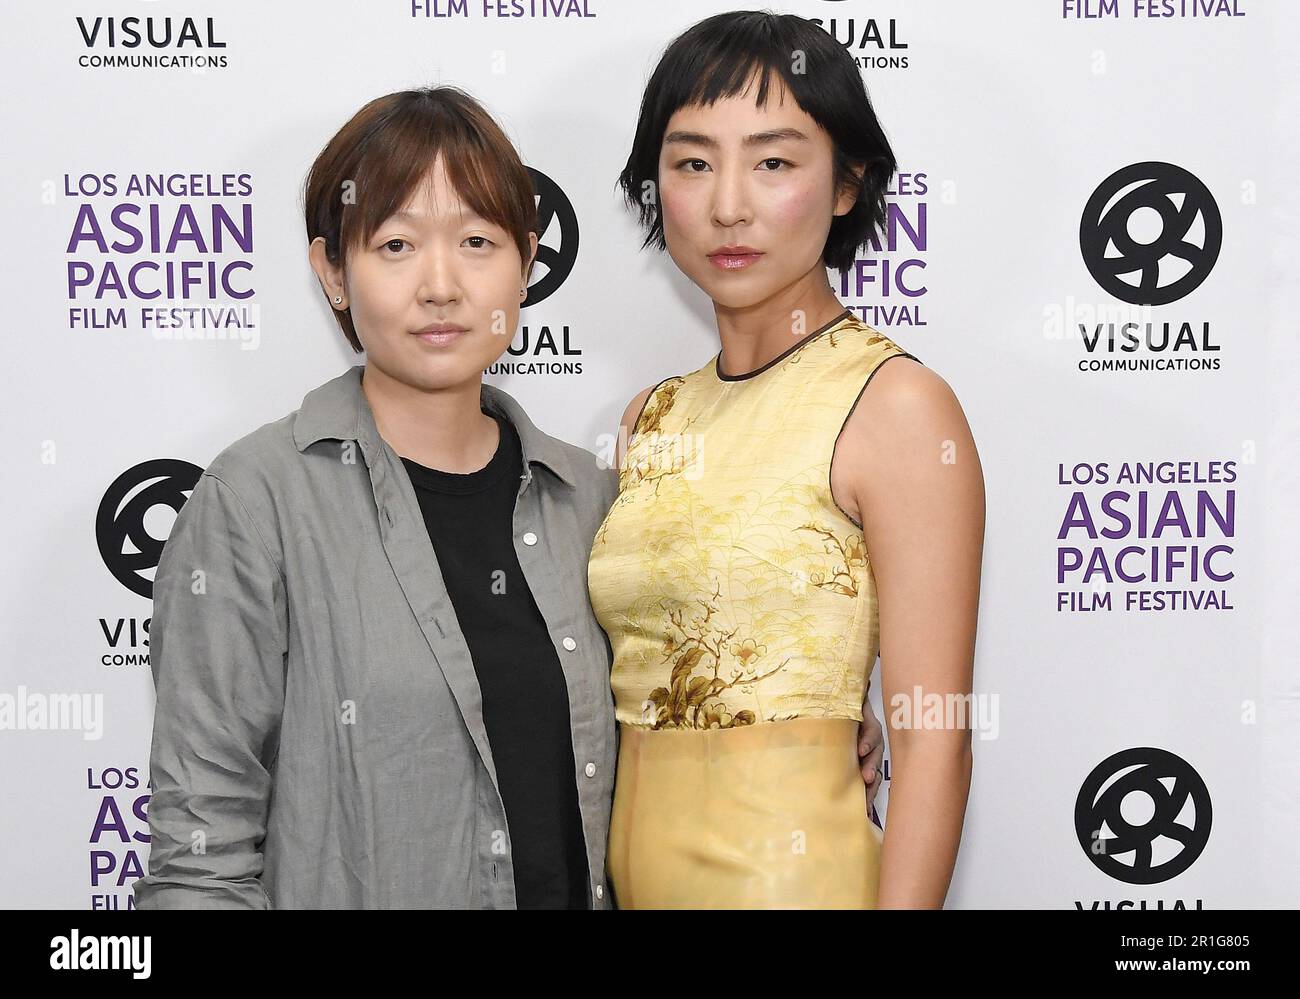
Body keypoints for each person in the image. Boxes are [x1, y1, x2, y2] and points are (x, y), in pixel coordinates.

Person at [134, 86, 618, 908]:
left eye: (476, 241)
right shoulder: (256, 502)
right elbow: (200, 852)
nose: (440, 285)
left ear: (527, 263)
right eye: (395, 245)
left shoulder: (589, 500)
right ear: (332, 270)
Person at [587, 11, 985, 908]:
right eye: (692, 162)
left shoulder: (896, 405)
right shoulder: (652, 416)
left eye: (773, 161)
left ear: (846, 184)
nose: (729, 203)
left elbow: (934, 740)